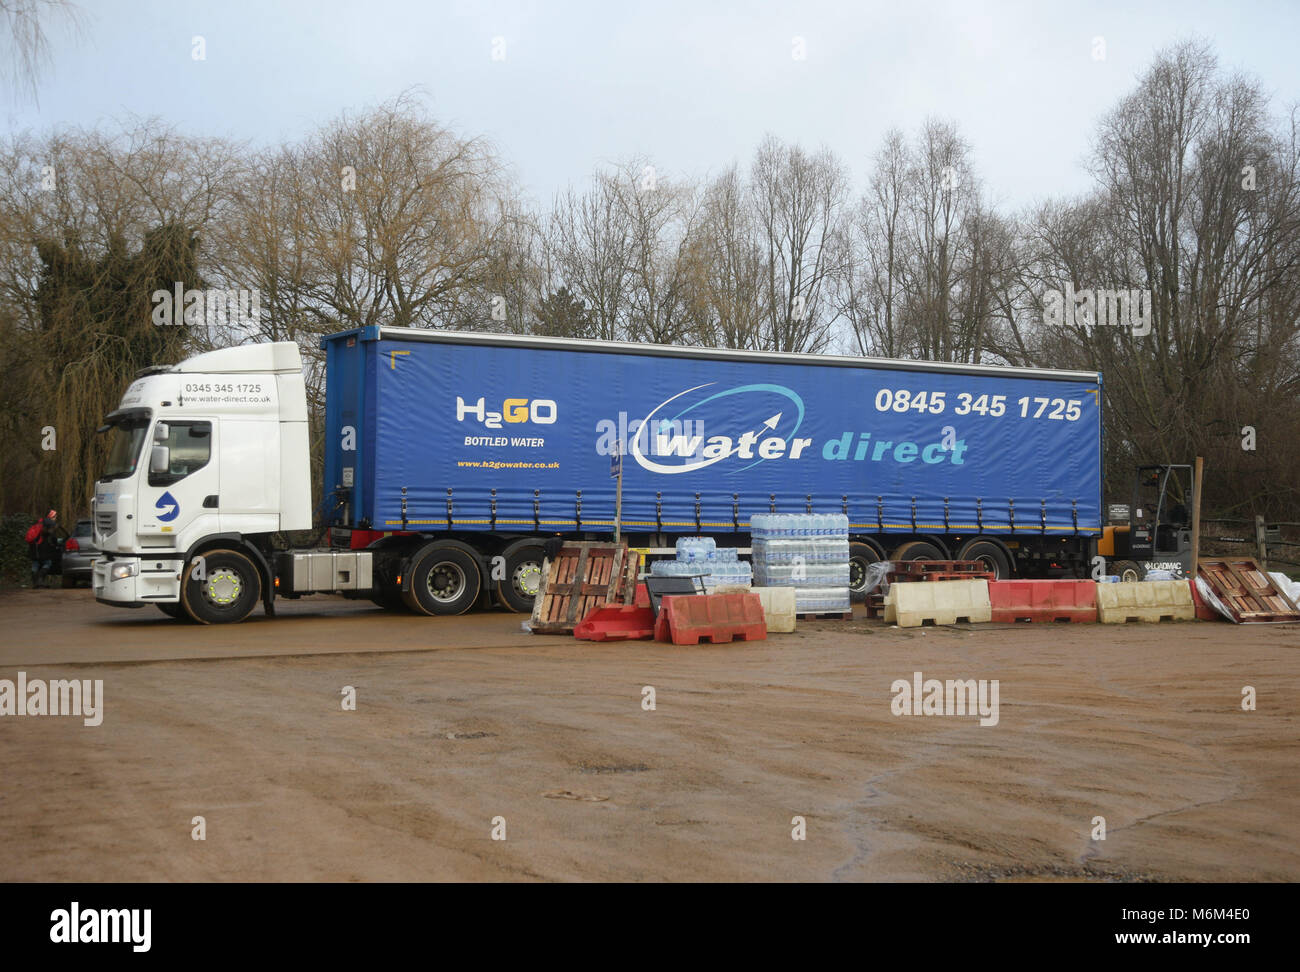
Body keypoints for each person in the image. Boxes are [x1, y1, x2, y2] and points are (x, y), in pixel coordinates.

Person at [27, 509, 60, 588]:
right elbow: (53, 537)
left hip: (33, 547)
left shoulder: (39, 521)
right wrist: (55, 544)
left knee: (35, 564)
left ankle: (35, 583)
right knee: (47, 563)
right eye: (55, 516)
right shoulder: (49, 523)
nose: (55, 518)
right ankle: (40, 581)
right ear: (52, 516)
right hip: (42, 548)